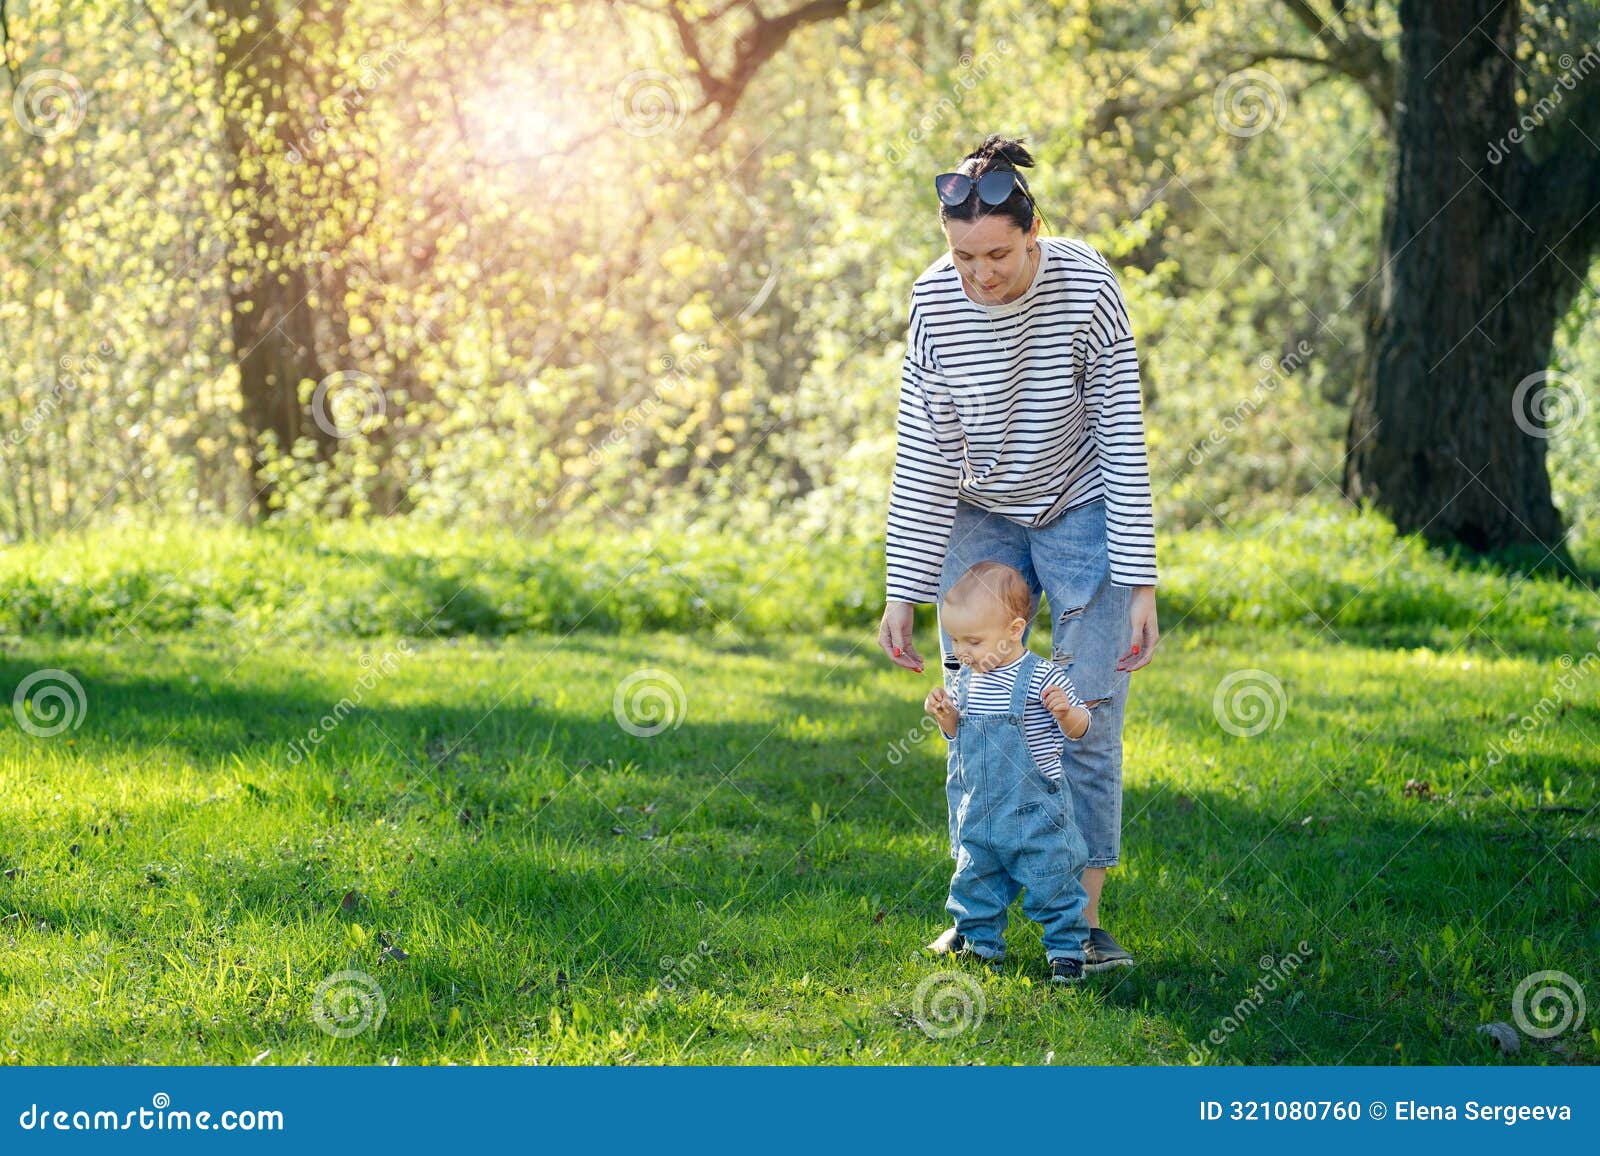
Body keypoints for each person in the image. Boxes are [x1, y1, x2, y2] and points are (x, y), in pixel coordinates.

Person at [879, 132, 1160, 972]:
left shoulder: (1087, 285)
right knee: (979, 713)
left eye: (998, 254)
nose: (980, 275)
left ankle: (1083, 923)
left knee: (1085, 713)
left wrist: (1139, 579)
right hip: (979, 508)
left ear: (1034, 232)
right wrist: (903, 589)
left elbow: (1121, 432)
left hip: (1081, 503)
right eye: (963, 256)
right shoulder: (933, 303)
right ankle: (979, 908)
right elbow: (923, 452)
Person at [924, 561, 1096, 983]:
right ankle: (980, 945)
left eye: (974, 641)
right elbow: (959, 736)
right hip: (980, 809)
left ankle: (1066, 952)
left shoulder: (1042, 676)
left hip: (1034, 813)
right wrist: (946, 716)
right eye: (956, 640)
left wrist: (1066, 713)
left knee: (1052, 882)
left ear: (1014, 630)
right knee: (974, 882)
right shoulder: (966, 679)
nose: (961, 651)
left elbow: (1081, 730)